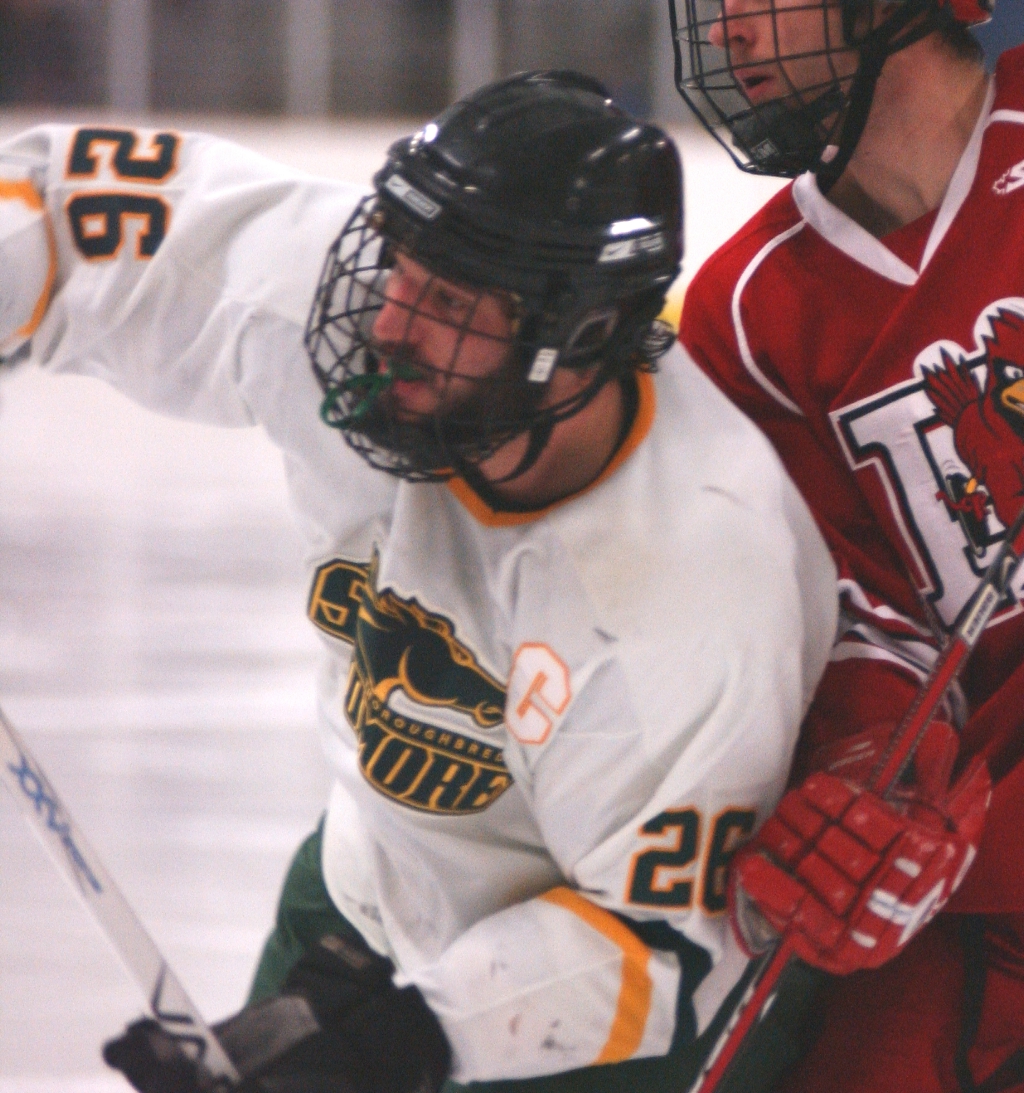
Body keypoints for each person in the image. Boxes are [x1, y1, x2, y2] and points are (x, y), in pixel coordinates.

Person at [0, 72, 838, 1093]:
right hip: (373, 885)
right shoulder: (367, 325)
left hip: (616, 1030)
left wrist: (391, 1042)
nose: (389, 322)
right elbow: (67, 213)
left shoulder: (693, 577)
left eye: (449, 300)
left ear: (578, 332)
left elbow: (662, 945)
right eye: (399, 262)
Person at [671, 0, 1024, 1089]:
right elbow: (854, 608)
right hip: (988, 840)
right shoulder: (746, 310)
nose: (722, 30)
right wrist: (877, 775)